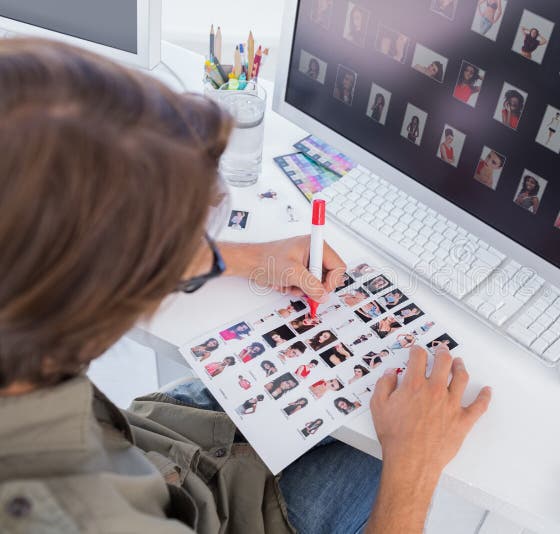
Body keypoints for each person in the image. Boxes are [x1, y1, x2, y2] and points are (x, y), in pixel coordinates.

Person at [0, 38, 490, 534]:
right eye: (177, 244)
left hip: (167, 447)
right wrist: (414, 472)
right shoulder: (74, 520)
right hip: (236, 518)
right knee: (416, 438)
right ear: (87, 301)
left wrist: (243, 257)